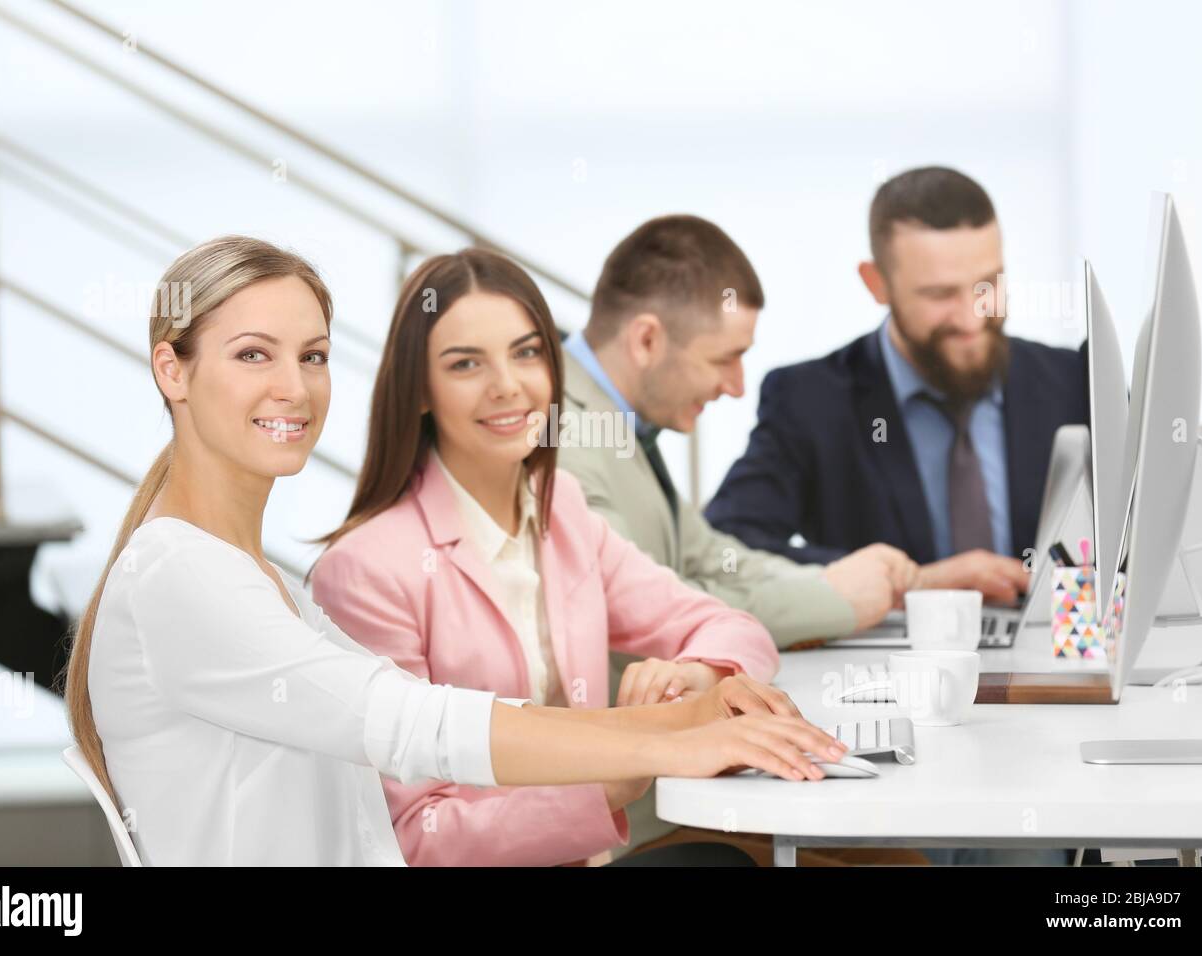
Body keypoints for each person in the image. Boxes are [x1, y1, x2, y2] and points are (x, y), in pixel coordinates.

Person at [60, 235, 849, 867]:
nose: (295, 389)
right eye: (253, 355)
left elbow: (416, 727)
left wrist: (692, 715)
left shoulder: (259, 581)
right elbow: (410, 723)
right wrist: (667, 742)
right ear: (173, 370)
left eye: (314, 355)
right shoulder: (179, 577)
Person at [311, 248, 786, 867]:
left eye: (527, 352)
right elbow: (411, 836)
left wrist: (697, 674)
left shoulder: (560, 511)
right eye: (465, 364)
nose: (507, 384)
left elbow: (734, 628)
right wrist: (622, 770)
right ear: (420, 392)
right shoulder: (367, 570)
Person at [555, 214, 926, 862]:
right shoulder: (569, 441)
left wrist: (835, 582)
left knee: (897, 856)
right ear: (647, 338)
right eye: (725, 358)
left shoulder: (619, 424)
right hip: (636, 818)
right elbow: (657, 606)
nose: (736, 386)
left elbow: (707, 558)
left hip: (675, 783)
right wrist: (836, 600)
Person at [705, 167, 1089, 606]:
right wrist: (914, 583)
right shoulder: (811, 400)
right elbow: (727, 550)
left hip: (1054, 660)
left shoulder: (1072, 381)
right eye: (940, 295)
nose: (971, 317)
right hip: (883, 670)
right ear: (877, 283)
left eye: (989, 285)